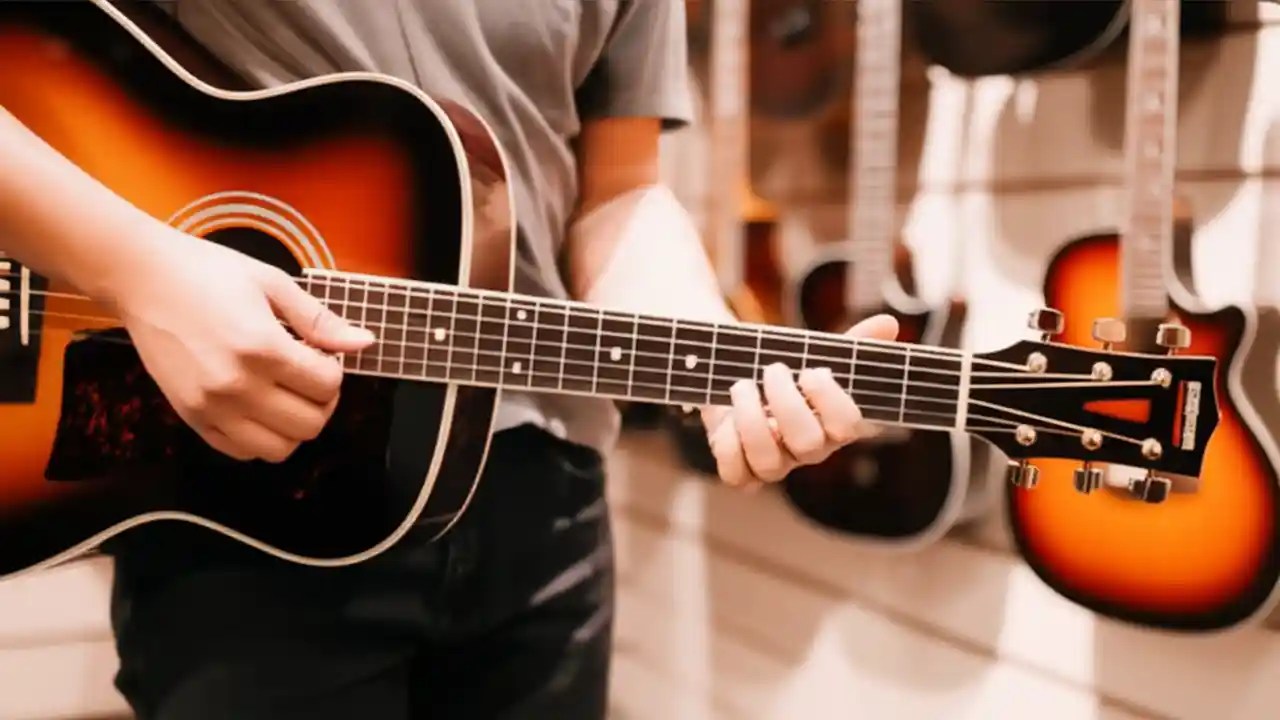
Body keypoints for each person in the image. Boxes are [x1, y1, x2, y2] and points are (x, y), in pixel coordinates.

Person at [0, 1, 897, 717]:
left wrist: (721, 364)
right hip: (251, 496)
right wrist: (138, 271)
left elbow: (619, 193)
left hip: (548, 496)